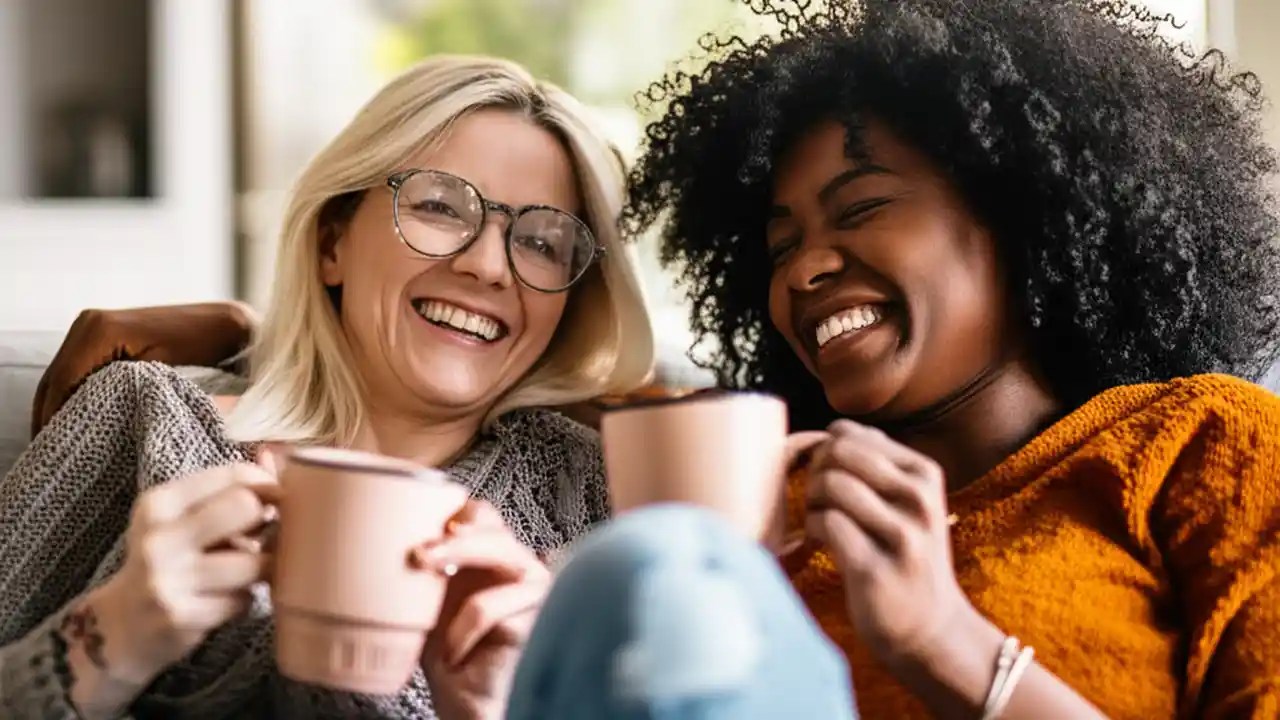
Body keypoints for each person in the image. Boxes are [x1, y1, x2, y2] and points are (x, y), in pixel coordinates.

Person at [622, 0, 1280, 718]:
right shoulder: (769, 511)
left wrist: (941, 639)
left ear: (1018, 216)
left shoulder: (1204, 444)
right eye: (780, 249)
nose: (803, 271)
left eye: (862, 208)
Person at [0, 54, 659, 719]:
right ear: (332, 241)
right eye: (440, 206)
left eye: (544, 244)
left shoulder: (595, 498)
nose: (489, 266)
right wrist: (111, 637)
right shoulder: (139, 414)